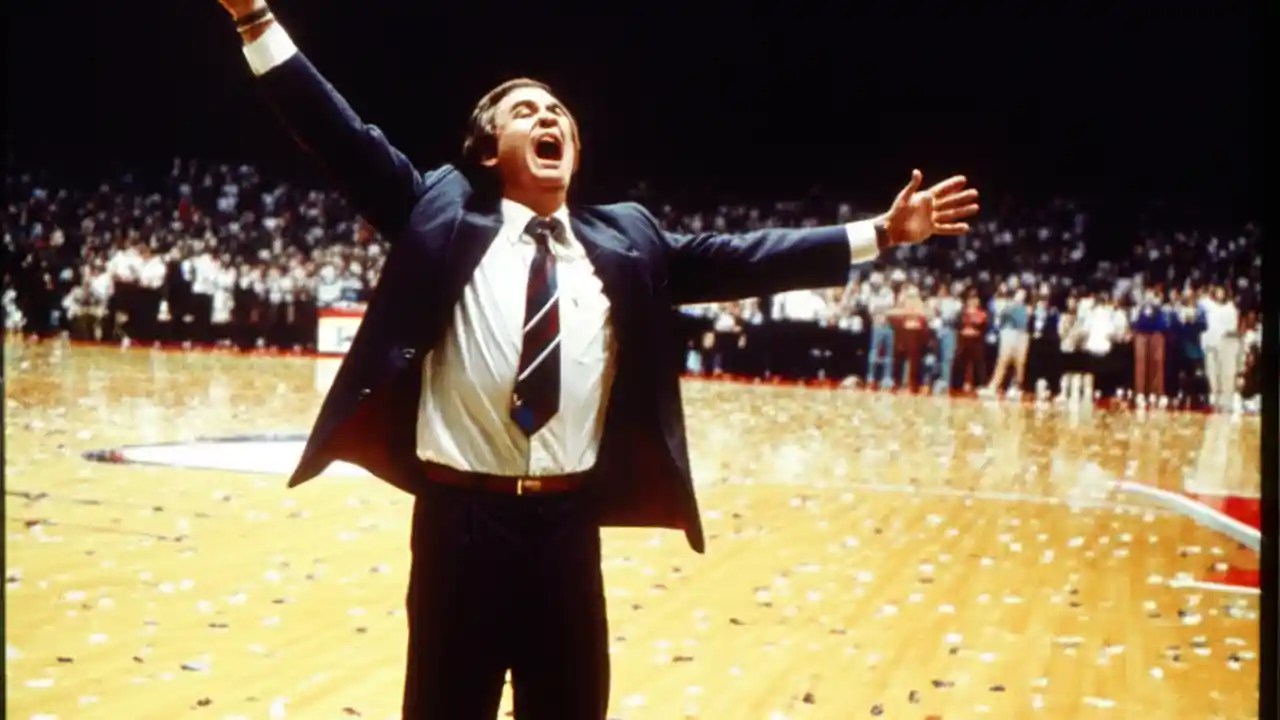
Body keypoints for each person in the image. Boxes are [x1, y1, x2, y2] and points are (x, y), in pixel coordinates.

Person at [215, 2, 980, 718]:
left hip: (566, 526)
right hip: (458, 525)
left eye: (559, 113)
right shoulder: (439, 211)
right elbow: (338, 135)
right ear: (488, 148)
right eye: (525, 110)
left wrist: (879, 233)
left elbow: (746, 259)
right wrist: (255, 16)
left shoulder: (627, 241)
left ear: (574, 151)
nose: (547, 115)